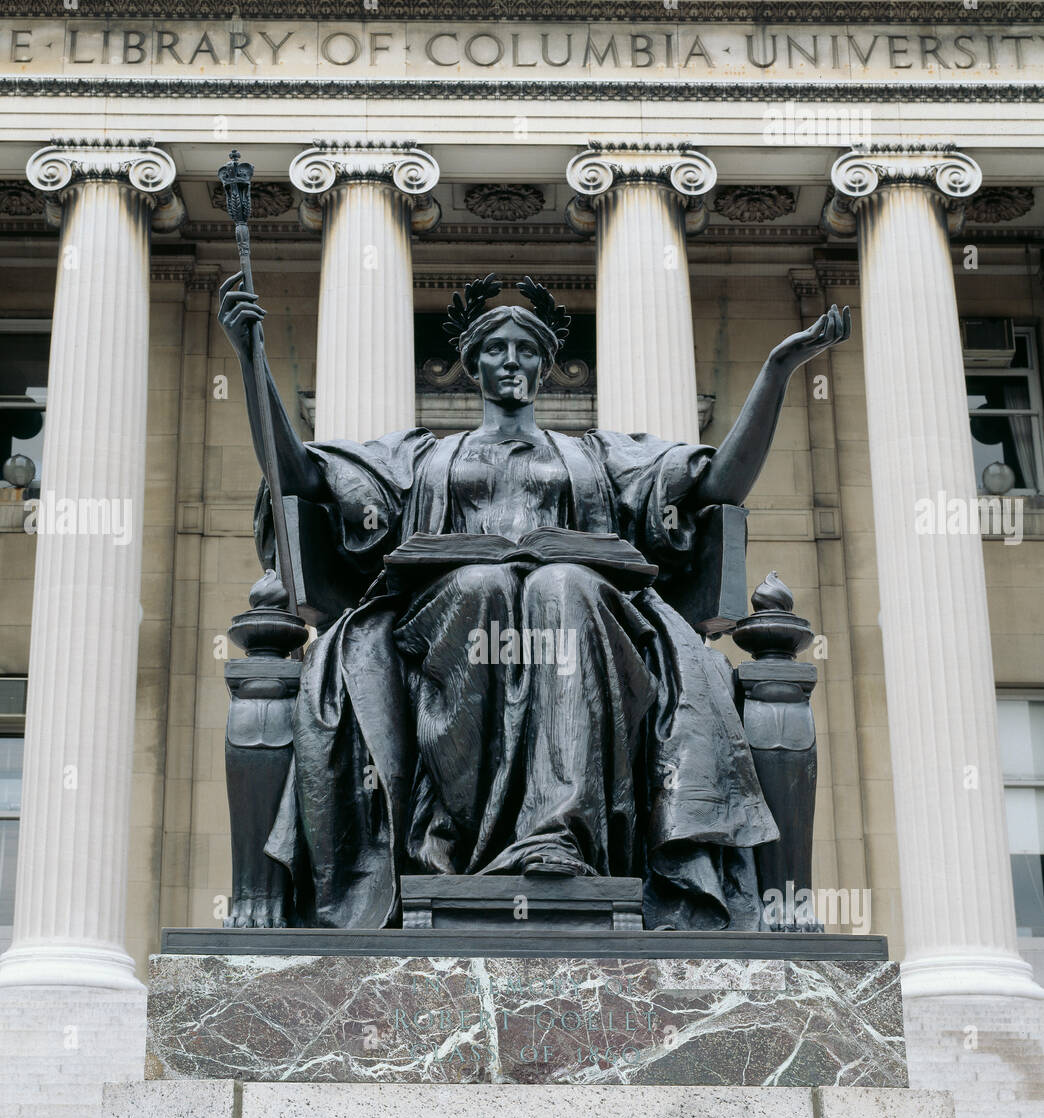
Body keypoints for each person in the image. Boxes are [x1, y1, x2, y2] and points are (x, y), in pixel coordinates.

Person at [219, 272, 850, 930]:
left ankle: (558, 837)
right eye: (496, 350)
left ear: (546, 367)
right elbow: (298, 475)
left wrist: (777, 372)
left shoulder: (599, 457)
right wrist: (251, 358)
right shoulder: (421, 457)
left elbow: (720, 483)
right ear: (473, 365)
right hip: (449, 616)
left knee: (562, 583)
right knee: (480, 585)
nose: (511, 361)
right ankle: (451, 846)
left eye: (526, 351)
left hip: (581, 616)